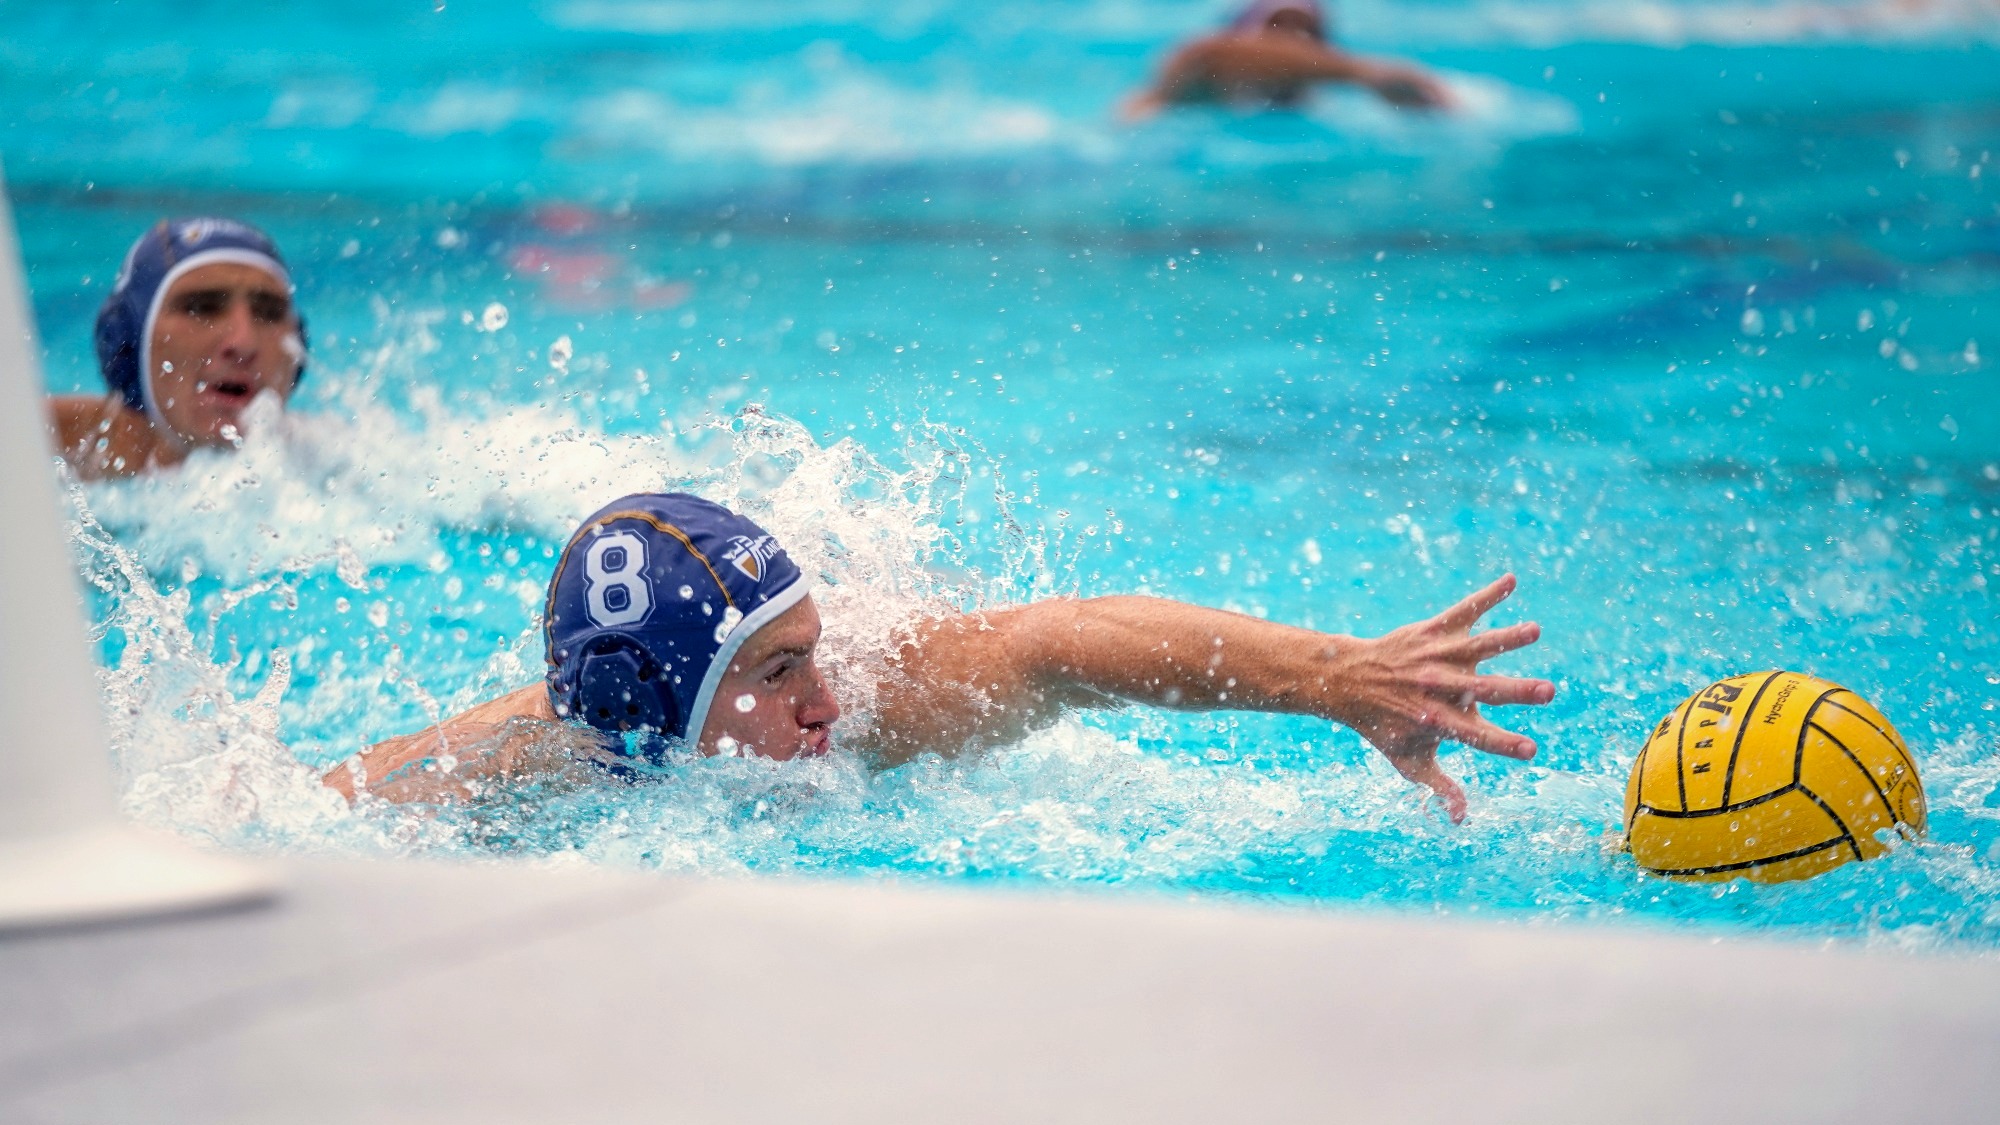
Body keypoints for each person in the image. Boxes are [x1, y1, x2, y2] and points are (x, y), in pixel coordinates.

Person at [324, 492, 1555, 822]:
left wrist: (1335, 680)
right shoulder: (521, 766)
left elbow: (1060, 643)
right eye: (772, 676)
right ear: (656, 710)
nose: (828, 700)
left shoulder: (871, 709)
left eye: (812, 651)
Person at [48, 218, 307, 480]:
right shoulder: (26, 441)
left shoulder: (330, 458)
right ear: (128, 339)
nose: (243, 344)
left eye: (270, 313)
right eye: (201, 308)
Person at [1121, 0, 1452, 120]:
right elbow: (1204, 53)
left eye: (1307, 33)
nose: (1292, 45)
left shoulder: (1338, 113)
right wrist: (1362, 73)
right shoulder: (1192, 92)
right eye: (1276, 29)